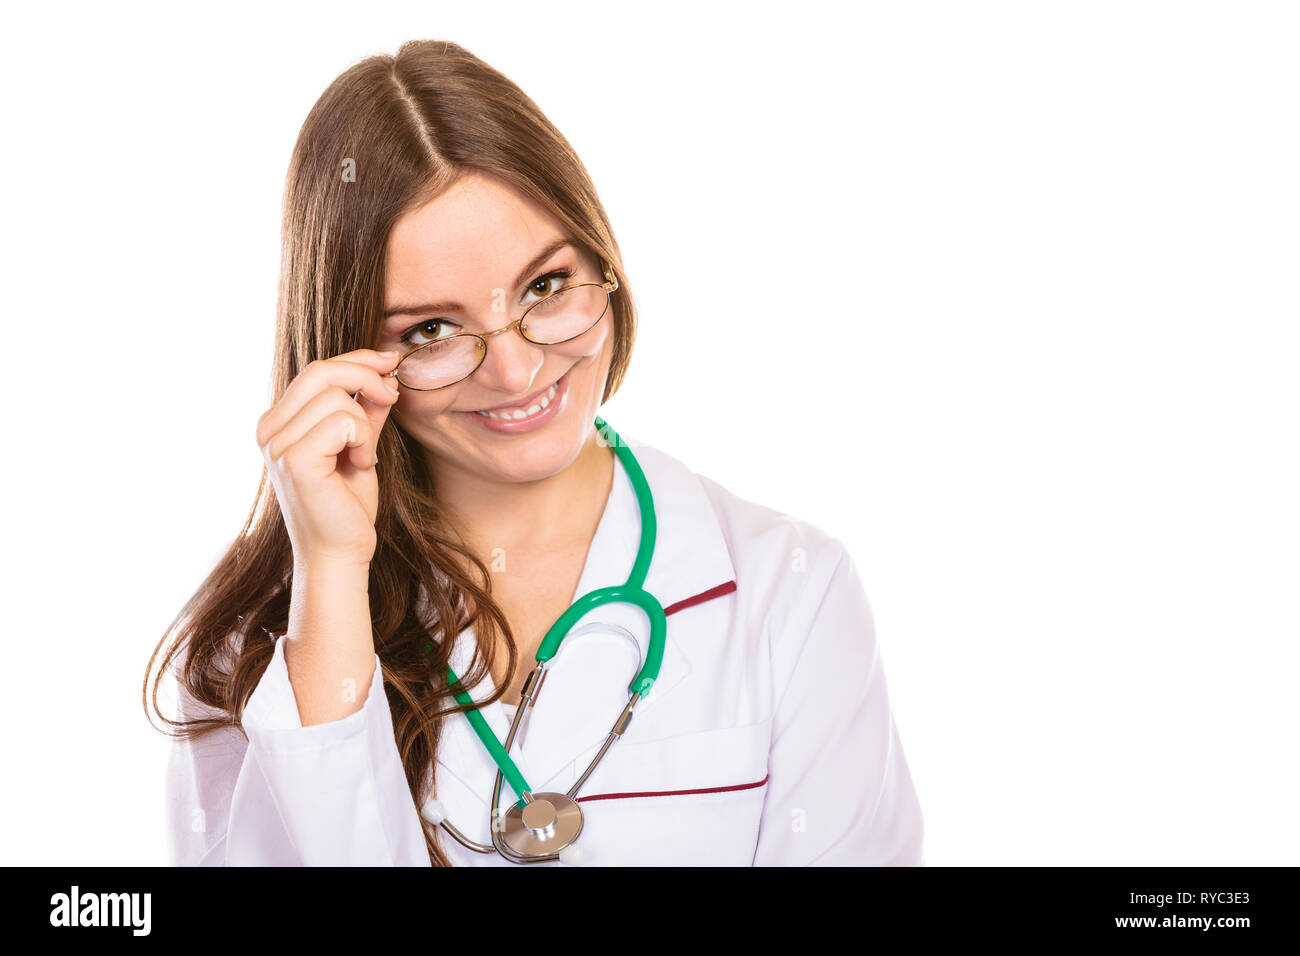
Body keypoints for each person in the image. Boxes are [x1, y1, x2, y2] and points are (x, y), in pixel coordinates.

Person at [143, 38, 924, 867]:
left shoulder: (790, 593)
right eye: (432, 330)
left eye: (545, 286)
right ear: (349, 359)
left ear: (601, 257)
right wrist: (332, 575)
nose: (516, 370)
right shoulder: (255, 648)